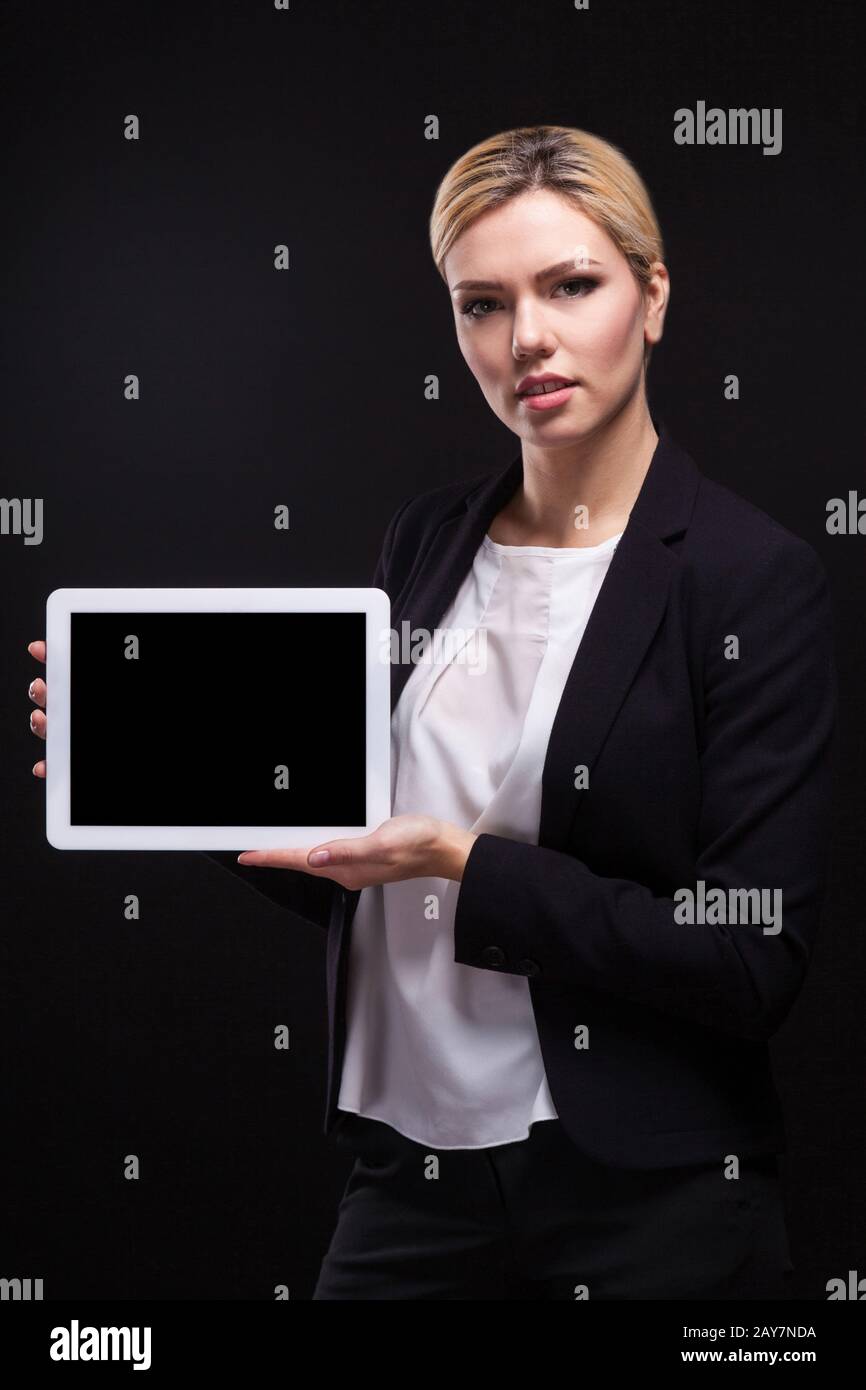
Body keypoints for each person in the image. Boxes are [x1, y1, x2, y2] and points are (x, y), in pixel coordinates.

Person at [28, 125, 837, 1300]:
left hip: (645, 1198)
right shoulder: (427, 537)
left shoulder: (748, 578)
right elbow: (361, 856)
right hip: (409, 1175)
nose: (526, 338)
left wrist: (462, 862)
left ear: (652, 297)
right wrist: (164, 766)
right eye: (481, 304)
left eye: (570, 285)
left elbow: (748, 962)